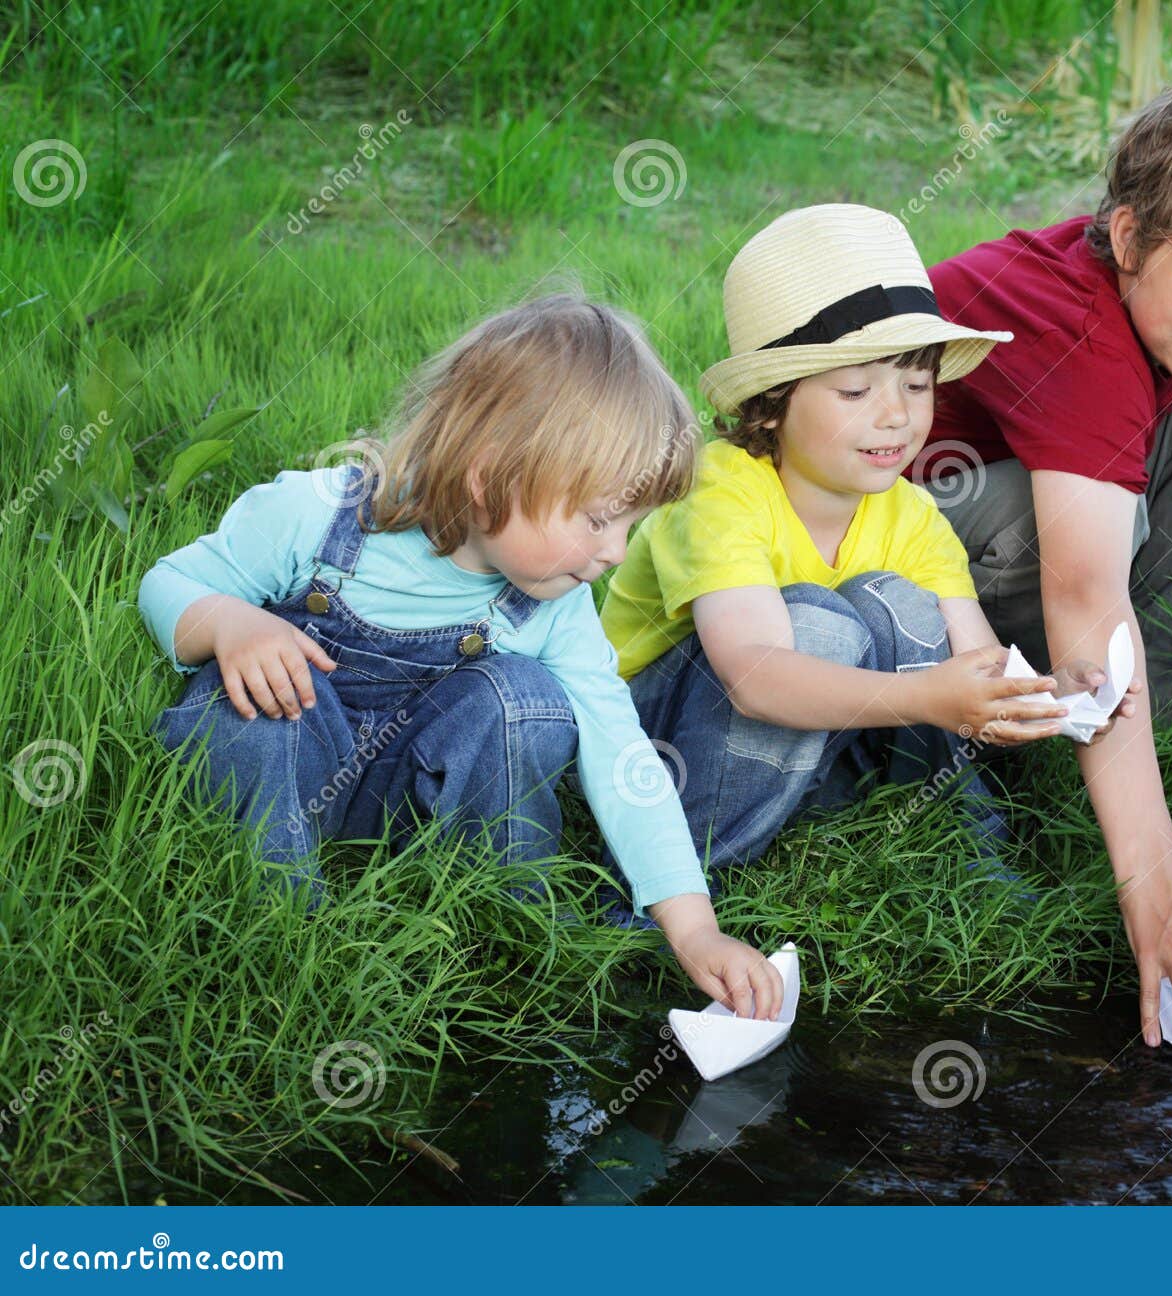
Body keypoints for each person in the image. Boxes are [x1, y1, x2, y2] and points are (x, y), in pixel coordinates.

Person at [137, 293, 784, 1019]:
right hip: (289, 765)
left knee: (522, 701)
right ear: (489, 477)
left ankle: (506, 930)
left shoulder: (553, 605)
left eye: (632, 526)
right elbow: (169, 582)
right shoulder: (315, 518)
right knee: (244, 713)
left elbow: (620, 751)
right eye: (601, 519)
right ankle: (286, 947)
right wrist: (228, 624)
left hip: (408, 800)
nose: (613, 552)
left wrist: (694, 929)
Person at [911, 71, 1172, 1046]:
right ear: (1126, 240)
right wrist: (1157, 886)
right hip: (876, 562)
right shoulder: (1079, 333)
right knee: (1104, 534)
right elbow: (1082, 593)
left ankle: (1166, 726)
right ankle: (1056, 761)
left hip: (1001, 523)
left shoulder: (1150, 288)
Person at [600, 204, 1130, 888]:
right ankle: (688, 876)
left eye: (917, 384)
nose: (897, 414)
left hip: (802, 734)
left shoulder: (909, 514)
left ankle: (964, 864)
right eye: (855, 389)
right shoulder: (719, 490)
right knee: (821, 629)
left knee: (901, 606)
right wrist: (927, 698)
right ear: (771, 401)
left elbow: (976, 664)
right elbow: (755, 676)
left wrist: (1051, 695)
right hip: (652, 740)